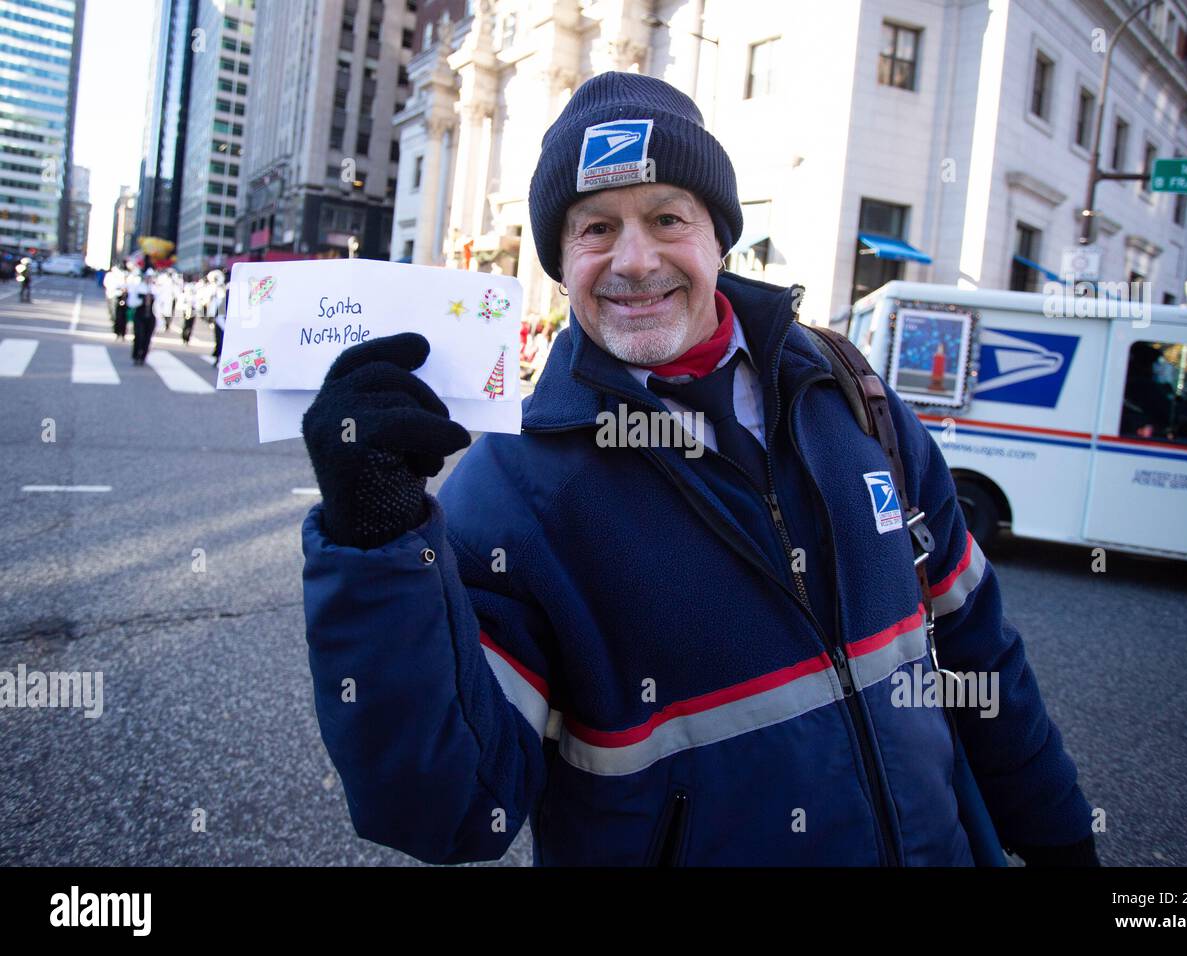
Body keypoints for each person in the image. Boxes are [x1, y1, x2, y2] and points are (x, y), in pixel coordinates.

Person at [299, 72, 1098, 867]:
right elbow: (453, 810)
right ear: (560, 259)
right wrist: (376, 543)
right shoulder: (510, 494)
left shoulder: (853, 396)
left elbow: (980, 658)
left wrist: (1061, 840)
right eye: (596, 228)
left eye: (667, 217)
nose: (635, 260)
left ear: (720, 236)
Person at [126, 266, 155, 365]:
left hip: (150, 315)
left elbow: (159, 305)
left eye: (151, 277)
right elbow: (131, 302)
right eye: (148, 277)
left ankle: (143, 356)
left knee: (147, 337)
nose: (149, 279)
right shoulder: (138, 287)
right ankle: (136, 355)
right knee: (139, 335)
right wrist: (142, 300)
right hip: (140, 314)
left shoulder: (155, 289)